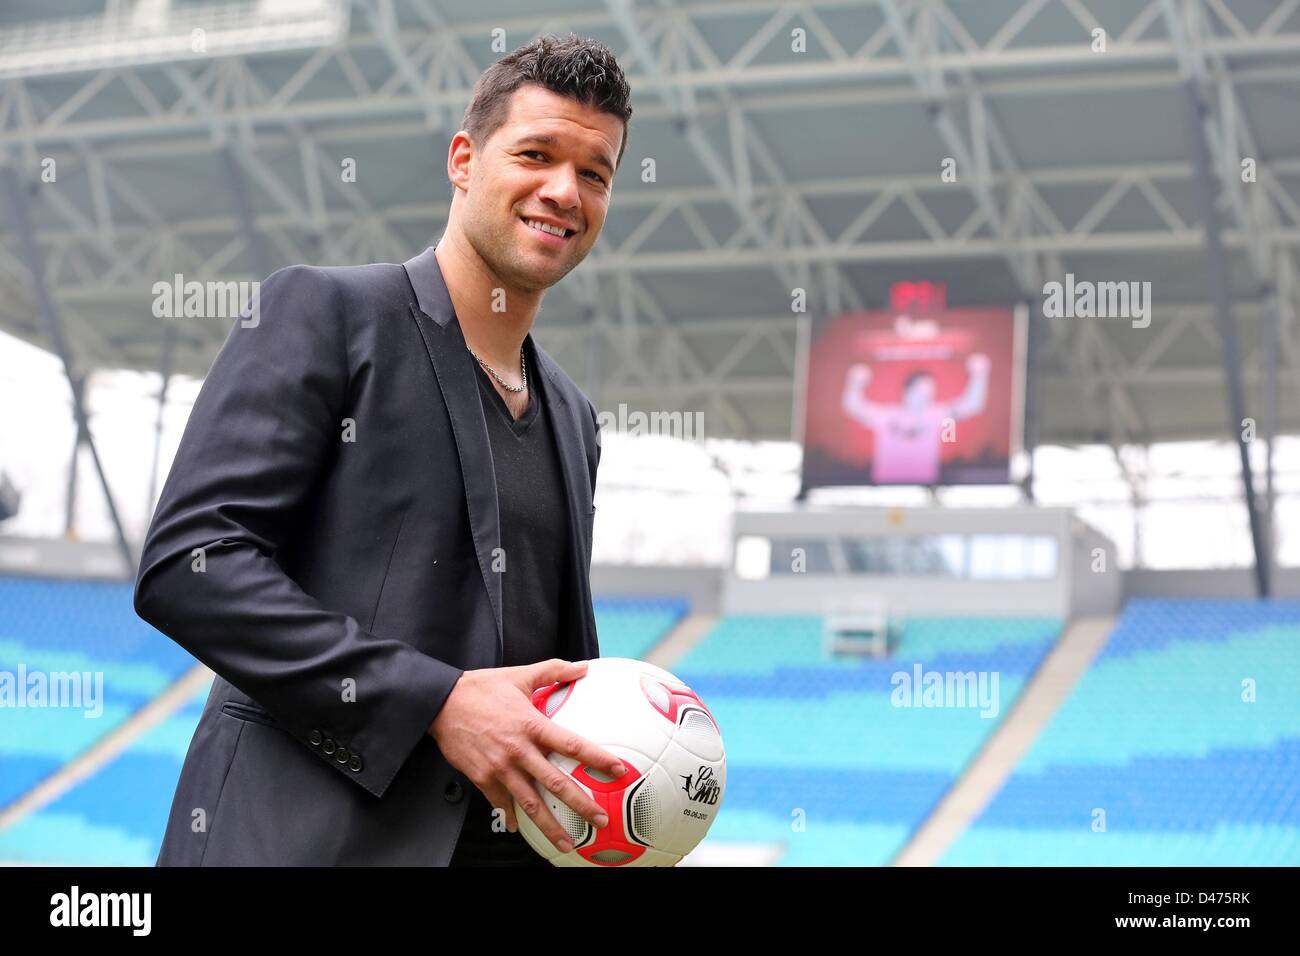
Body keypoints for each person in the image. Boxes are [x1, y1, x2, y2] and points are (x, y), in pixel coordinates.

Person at [134, 34, 634, 866]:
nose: (563, 191)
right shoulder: (325, 314)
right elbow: (192, 564)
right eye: (536, 154)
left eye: (595, 173)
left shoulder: (574, 418)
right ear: (464, 159)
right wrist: (435, 702)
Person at [840, 353, 990, 485]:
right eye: (920, 392)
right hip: (884, 490)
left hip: (927, 490)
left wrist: (979, 375)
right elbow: (854, 408)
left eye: (929, 393)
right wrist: (854, 382)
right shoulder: (887, 416)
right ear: (907, 392)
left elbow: (971, 405)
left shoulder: (937, 416)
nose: (925, 397)